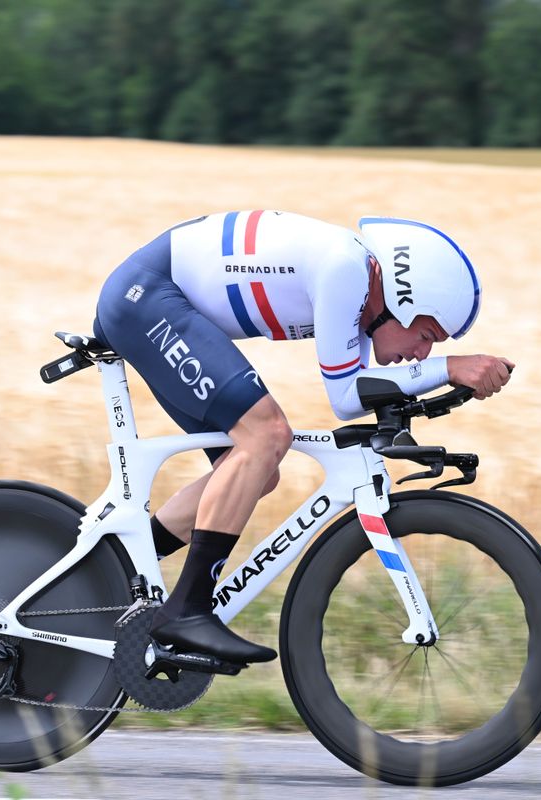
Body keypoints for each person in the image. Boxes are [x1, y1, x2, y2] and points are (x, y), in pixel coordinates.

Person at [93, 211, 513, 664]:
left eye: (434, 346)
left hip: (151, 300)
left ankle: (108, 577)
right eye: (428, 335)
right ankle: (187, 609)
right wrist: (449, 368)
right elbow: (347, 397)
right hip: (146, 298)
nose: (424, 352)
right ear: (402, 298)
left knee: (253, 469)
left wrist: (437, 385)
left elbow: (366, 384)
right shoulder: (345, 270)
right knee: (267, 436)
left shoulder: (360, 288)